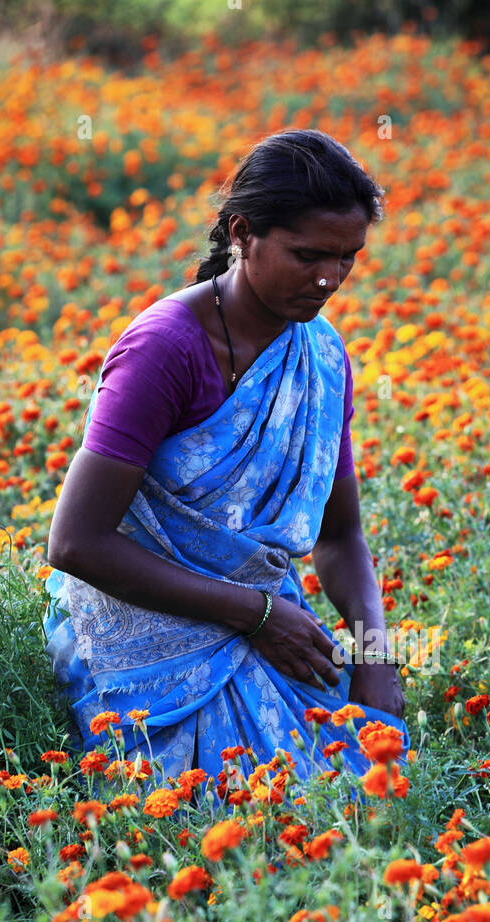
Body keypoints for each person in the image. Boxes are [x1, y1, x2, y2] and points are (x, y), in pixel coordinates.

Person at [42, 129, 411, 795]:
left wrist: (374, 653)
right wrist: (257, 615)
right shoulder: (165, 349)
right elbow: (74, 543)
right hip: (136, 631)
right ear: (243, 233)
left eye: (347, 258)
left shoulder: (321, 358)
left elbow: (339, 534)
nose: (329, 278)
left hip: (262, 618)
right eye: (306, 255)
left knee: (362, 788)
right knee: (217, 813)